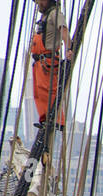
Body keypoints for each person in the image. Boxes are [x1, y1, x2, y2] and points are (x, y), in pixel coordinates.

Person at [31, 0, 69, 128]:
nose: (38, 3)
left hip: (48, 60)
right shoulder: (44, 17)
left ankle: (57, 120)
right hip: (39, 62)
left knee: (49, 90)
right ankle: (45, 118)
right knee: (38, 92)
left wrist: (69, 49)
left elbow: (63, 30)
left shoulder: (55, 14)